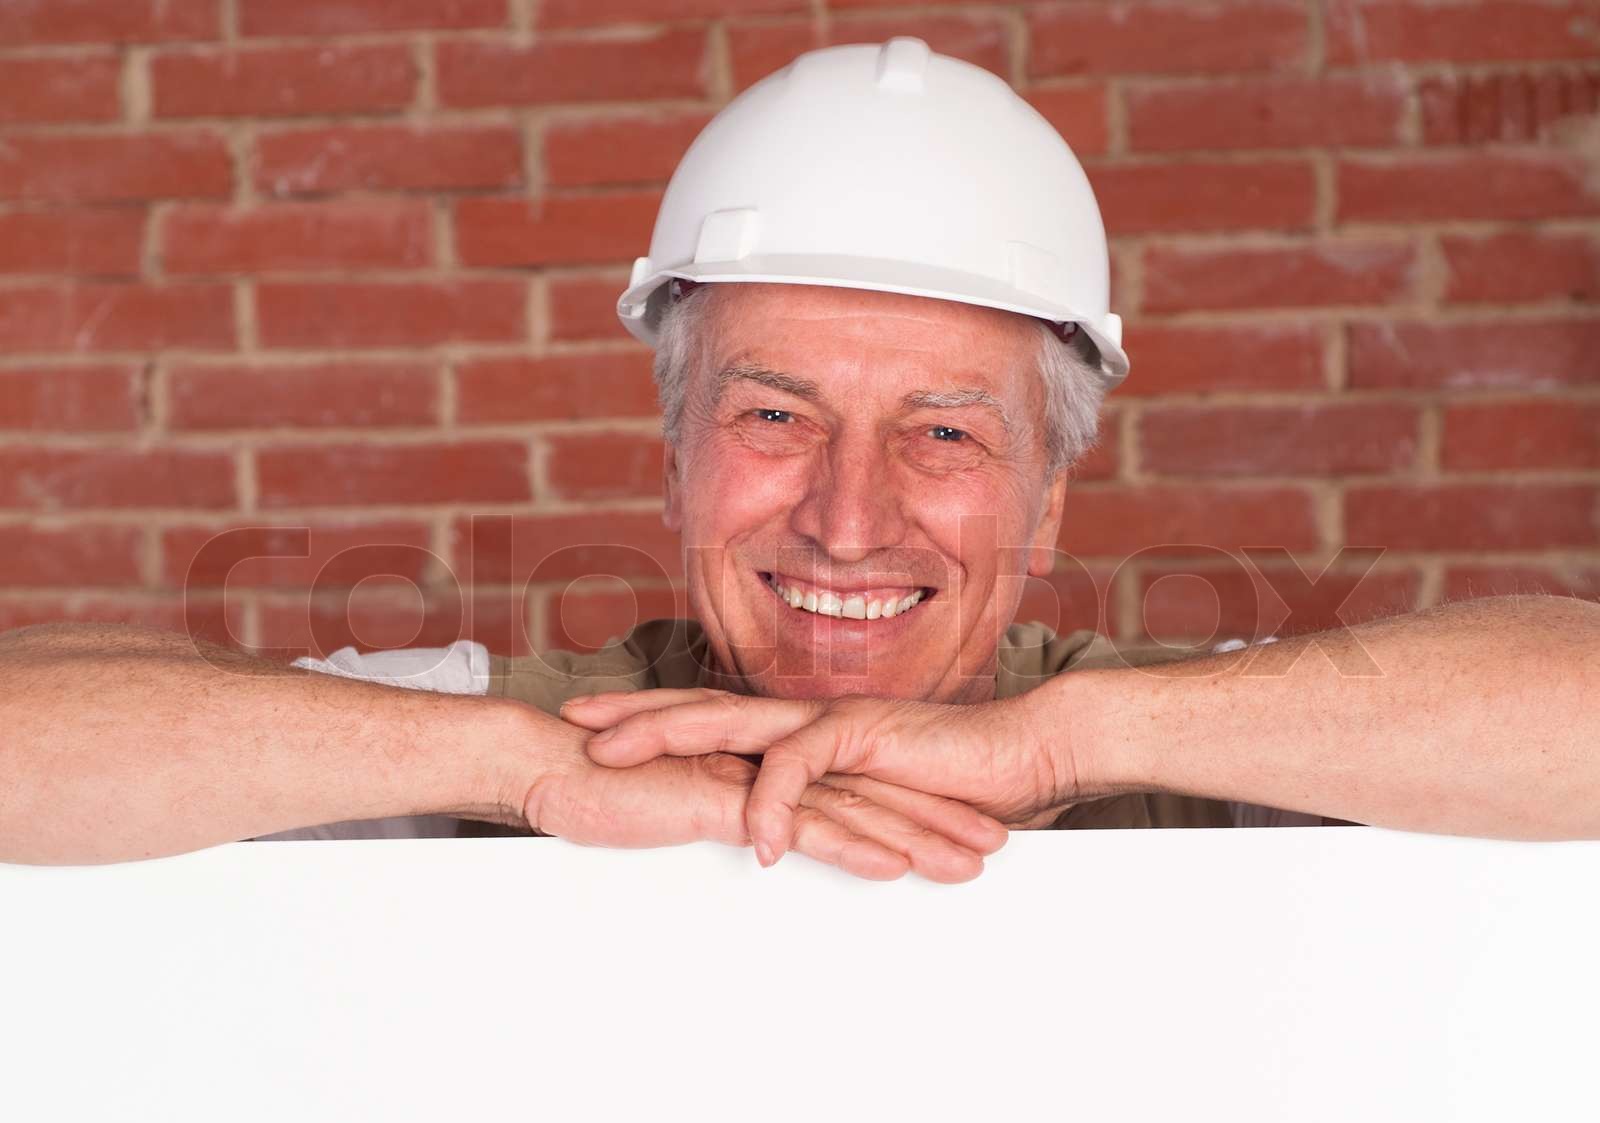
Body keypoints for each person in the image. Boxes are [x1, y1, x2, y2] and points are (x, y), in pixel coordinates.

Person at [2, 40, 1595, 873]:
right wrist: (529, 774)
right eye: (773, 417)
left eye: (947, 435)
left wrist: (1054, 747)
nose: (848, 516)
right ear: (677, 454)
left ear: (1045, 502)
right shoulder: (522, 736)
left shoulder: (1199, 749)